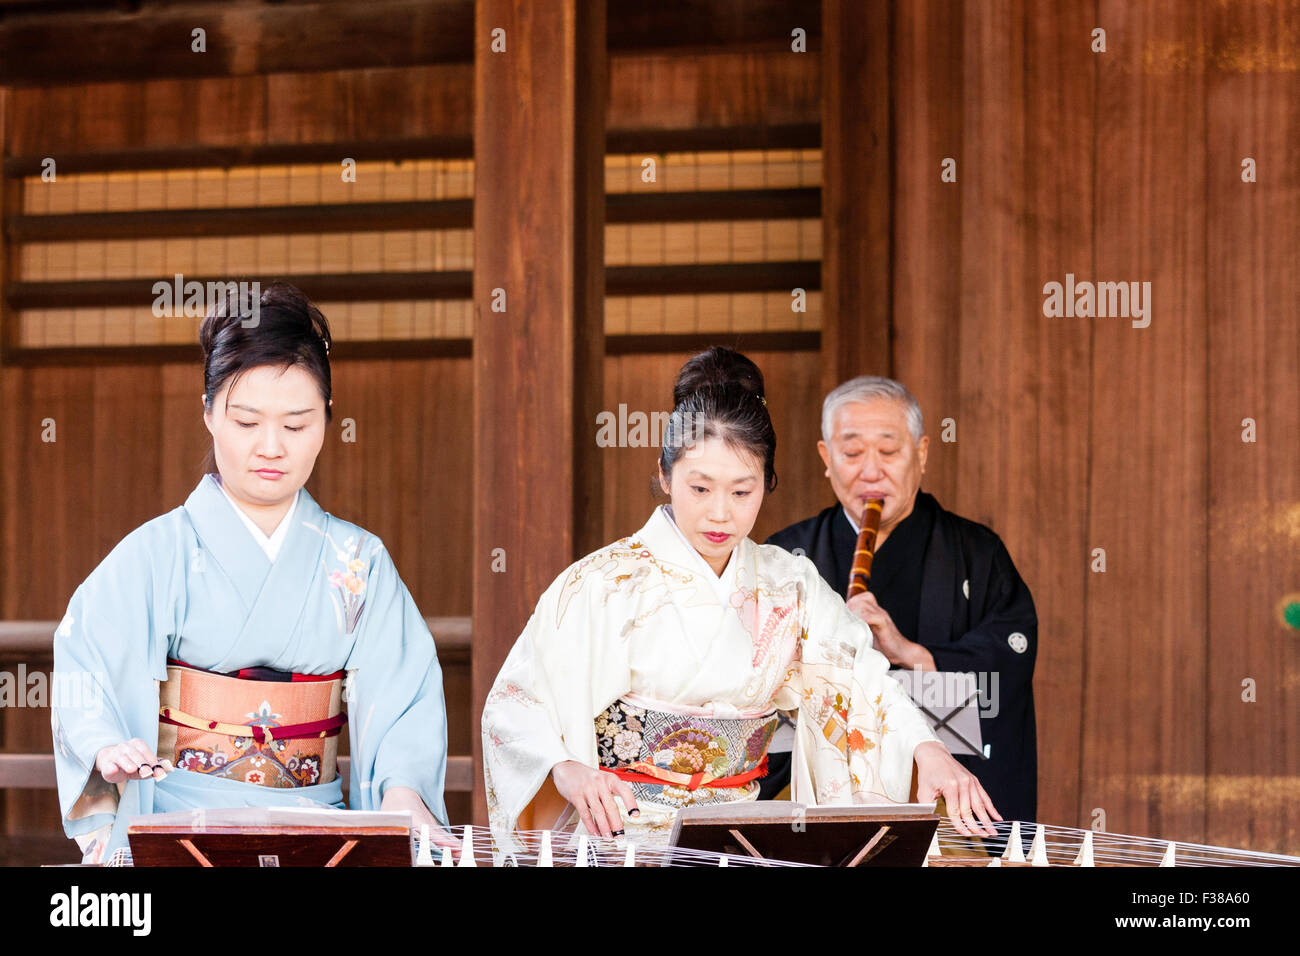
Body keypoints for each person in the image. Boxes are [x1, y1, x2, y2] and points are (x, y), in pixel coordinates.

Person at [481, 348, 999, 855]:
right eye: (700, 488)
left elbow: (860, 680)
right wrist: (564, 768)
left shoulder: (788, 584)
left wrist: (926, 749)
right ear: (665, 477)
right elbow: (516, 703)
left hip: (742, 837)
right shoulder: (601, 584)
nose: (720, 515)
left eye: (741, 492)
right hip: (624, 839)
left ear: (767, 485)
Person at [51, 282, 452, 864]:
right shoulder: (156, 555)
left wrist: (404, 793)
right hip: (176, 830)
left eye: (296, 425)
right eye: (246, 422)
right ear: (209, 412)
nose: (272, 447)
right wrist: (103, 745)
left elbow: (404, 700)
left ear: (327, 421)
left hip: (322, 836)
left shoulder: (359, 562)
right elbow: (85, 664)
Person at [763, 376, 1037, 824]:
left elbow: (1012, 654)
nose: (870, 470)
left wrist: (913, 653)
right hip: (814, 809)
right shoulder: (787, 557)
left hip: (946, 811)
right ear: (825, 458)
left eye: (888, 451)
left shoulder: (976, 554)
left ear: (922, 453)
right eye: (851, 453)